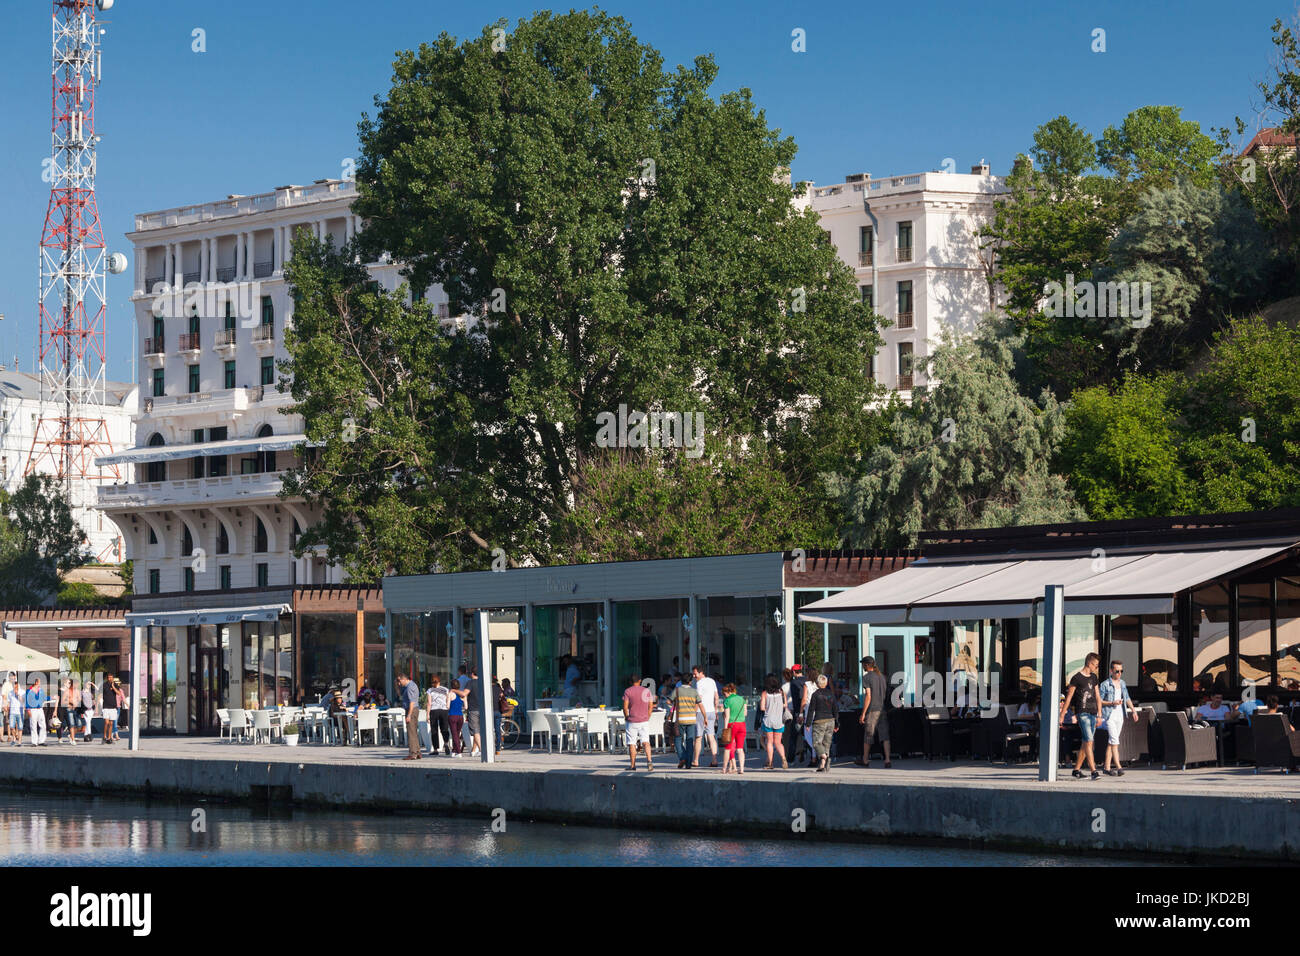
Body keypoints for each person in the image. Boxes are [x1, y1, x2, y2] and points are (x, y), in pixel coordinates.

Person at [1060, 653, 1102, 780]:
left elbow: (1098, 697)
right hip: (1082, 713)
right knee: (1089, 741)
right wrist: (1062, 714)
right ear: (1089, 663)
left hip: (1093, 713)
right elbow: (1069, 697)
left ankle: (1076, 769)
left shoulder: (1094, 678)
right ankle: (1093, 770)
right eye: (1096, 665)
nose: (1096, 667)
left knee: (1085, 742)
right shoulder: (1076, 678)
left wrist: (1100, 714)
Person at [1099, 659, 1138, 777]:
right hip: (1109, 715)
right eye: (1117, 671)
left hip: (1120, 715)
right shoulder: (1105, 684)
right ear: (1111, 671)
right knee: (1115, 740)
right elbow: (1099, 701)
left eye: (1121, 671)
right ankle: (1118, 766)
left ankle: (1106, 767)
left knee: (1112, 741)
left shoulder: (1122, 683)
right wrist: (1112, 703)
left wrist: (1134, 710)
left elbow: (1127, 698)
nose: (1119, 673)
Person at [856, 655, 892, 768]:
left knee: (868, 735)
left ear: (867, 665)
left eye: (863, 664)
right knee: (885, 736)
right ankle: (887, 760)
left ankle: (865, 760)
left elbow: (868, 696)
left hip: (872, 710)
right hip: (882, 709)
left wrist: (863, 713)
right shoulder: (882, 677)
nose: (862, 666)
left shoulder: (867, 677)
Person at [622, 673, 655, 772]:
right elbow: (651, 705)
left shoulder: (627, 691)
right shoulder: (646, 691)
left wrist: (627, 716)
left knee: (632, 743)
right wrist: (648, 716)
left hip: (632, 720)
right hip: (644, 720)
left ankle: (633, 765)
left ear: (630, 682)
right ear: (640, 681)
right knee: (646, 742)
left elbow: (625, 707)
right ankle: (649, 761)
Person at [807, 674, 839, 773]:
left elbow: (811, 710)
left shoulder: (815, 695)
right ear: (826, 683)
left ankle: (824, 756)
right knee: (827, 744)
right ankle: (823, 765)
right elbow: (835, 709)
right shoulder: (831, 694)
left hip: (819, 721)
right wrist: (837, 723)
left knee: (816, 743)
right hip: (831, 721)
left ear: (817, 683)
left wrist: (808, 723)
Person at [671, 676, 704, 768]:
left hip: (680, 719)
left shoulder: (677, 690)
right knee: (689, 741)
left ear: (681, 681)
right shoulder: (694, 691)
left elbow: (669, 702)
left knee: (678, 739)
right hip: (691, 719)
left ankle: (682, 757)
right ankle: (688, 764)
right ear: (690, 681)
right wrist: (705, 717)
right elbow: (699, 703)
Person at [692, 665, 720, 768]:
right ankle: (714, 760)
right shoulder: (712, 681)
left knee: (698, 737)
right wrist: (715, 710)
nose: (694, 676)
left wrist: (694, 712)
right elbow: (716, 697)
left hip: (701, 712)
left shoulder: (699, 683)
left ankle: (696, 760)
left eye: (695, 673)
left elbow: (698, 700)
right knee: (711, 737)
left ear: (701, 672)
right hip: (711, 711)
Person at [759, 673, 788, 770]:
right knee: (778, 742)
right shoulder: (781, 692)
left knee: (770, 742)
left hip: (768, 720)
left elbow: (762, 708)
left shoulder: (764, 694)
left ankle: (770, 763)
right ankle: (784, 759)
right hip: (779, 721)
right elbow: (785, 705)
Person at [719, 682, 748, 774]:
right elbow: (745, 713)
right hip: (742, 725)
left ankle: (724, 768)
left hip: (732, 725)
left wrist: (725, 729)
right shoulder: (742, 699)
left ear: (728, 692)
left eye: (724, 694)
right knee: (740, 749)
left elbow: (727, 716)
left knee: (728, 748)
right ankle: (742, 769)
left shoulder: (727, 701)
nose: (724, 696)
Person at [396, 672, 422, 760]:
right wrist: (397, 686)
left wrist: (409, 715)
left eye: (400, 681)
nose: (399, 683)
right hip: (413, 709)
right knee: (413, 731)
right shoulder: (408, 686)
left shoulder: (410, 687)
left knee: (411, 732)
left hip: (412, 710)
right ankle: (417, 752)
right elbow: (400, 695)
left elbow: (412, 702)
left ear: (404, 679)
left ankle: (413, 753)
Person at [427, 675, 452, 755]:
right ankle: (446, 743)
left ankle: (435, 749)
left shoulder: (430, 690)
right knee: (444, 728)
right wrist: (448, 706)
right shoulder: (445, 689)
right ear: (439, 681)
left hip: (434, 710)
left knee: (434, 730)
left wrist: (427, 714)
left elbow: (429, 703)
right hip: (444, 710)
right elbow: (448, 699)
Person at [26, 677, 48, 747]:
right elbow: (27, 701)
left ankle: (41, 741)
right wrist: (28, 710)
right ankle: (34, 742)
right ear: (36, 682)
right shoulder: (29, 691)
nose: (40, 683)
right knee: (33, 726)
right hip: (33, 710)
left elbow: (44, 698)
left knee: (43, 725)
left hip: (40, 709)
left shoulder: (40, 690)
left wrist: (52, 697)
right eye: (39, 682)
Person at [447, 678, 466, 757]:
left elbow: (447, 706)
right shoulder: (462, 695)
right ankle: (454, 751)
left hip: (452, 715)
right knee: (457, 734)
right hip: (460, 716)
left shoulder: (450, 694)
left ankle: (459, 752)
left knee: (454, 734)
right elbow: (466, 707)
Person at [57, 679, 77, 745]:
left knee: (70, 723)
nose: (70, 684)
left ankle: (71, 737)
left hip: (68, 708)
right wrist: (55, 710)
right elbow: (57, 701)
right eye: (68, 683)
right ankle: (59, 738)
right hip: (61, 708)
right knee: (60, 723)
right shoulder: (60, 691)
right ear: (64, 683)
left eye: (70, 683)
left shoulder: (70, 691)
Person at [7, 679, 24, 745]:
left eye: (16, 686)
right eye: (14, 686)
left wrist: (18, 695)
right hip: (12, 712)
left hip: (20, 712)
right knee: (11, 727)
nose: (15, 688)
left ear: (18, 686)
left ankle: (19, 741)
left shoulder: (23, 692)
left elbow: (23, 701)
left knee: (20, 728)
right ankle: (14, 737)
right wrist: (7, 708)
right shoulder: (10, 693)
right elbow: (8, 702)